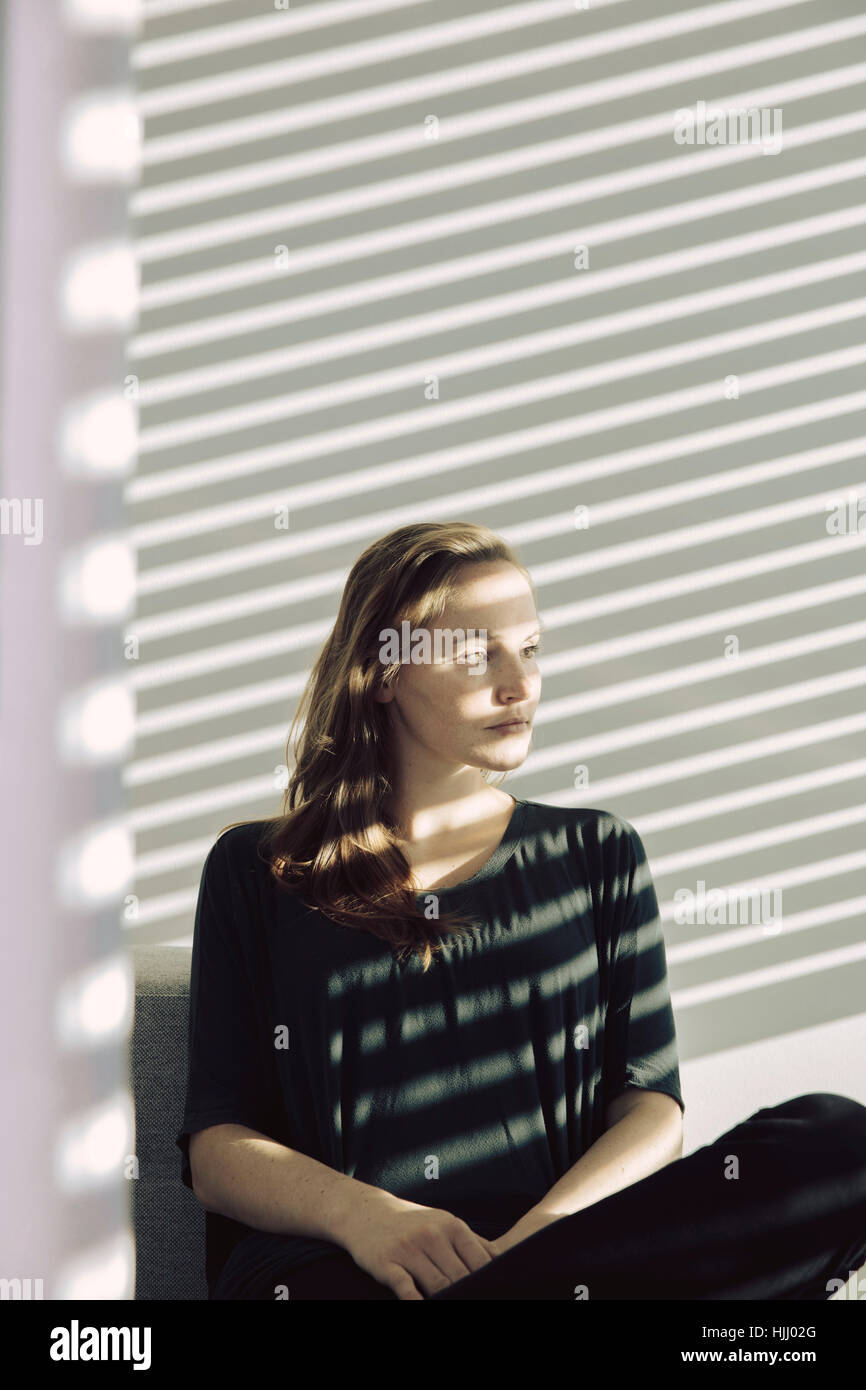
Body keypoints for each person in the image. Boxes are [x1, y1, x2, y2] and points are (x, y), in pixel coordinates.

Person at [176, 520, 866, 1300]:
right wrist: (369, 1220)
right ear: (383, 673)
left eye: (530, 650)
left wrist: (538, 1244)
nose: (520, 684)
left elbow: (650, 1113)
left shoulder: (599, 851)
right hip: (345, 1269)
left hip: (565, 1258)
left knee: (839, 1143)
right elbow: (220, 1151)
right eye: (478, 655)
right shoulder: (258, 869)